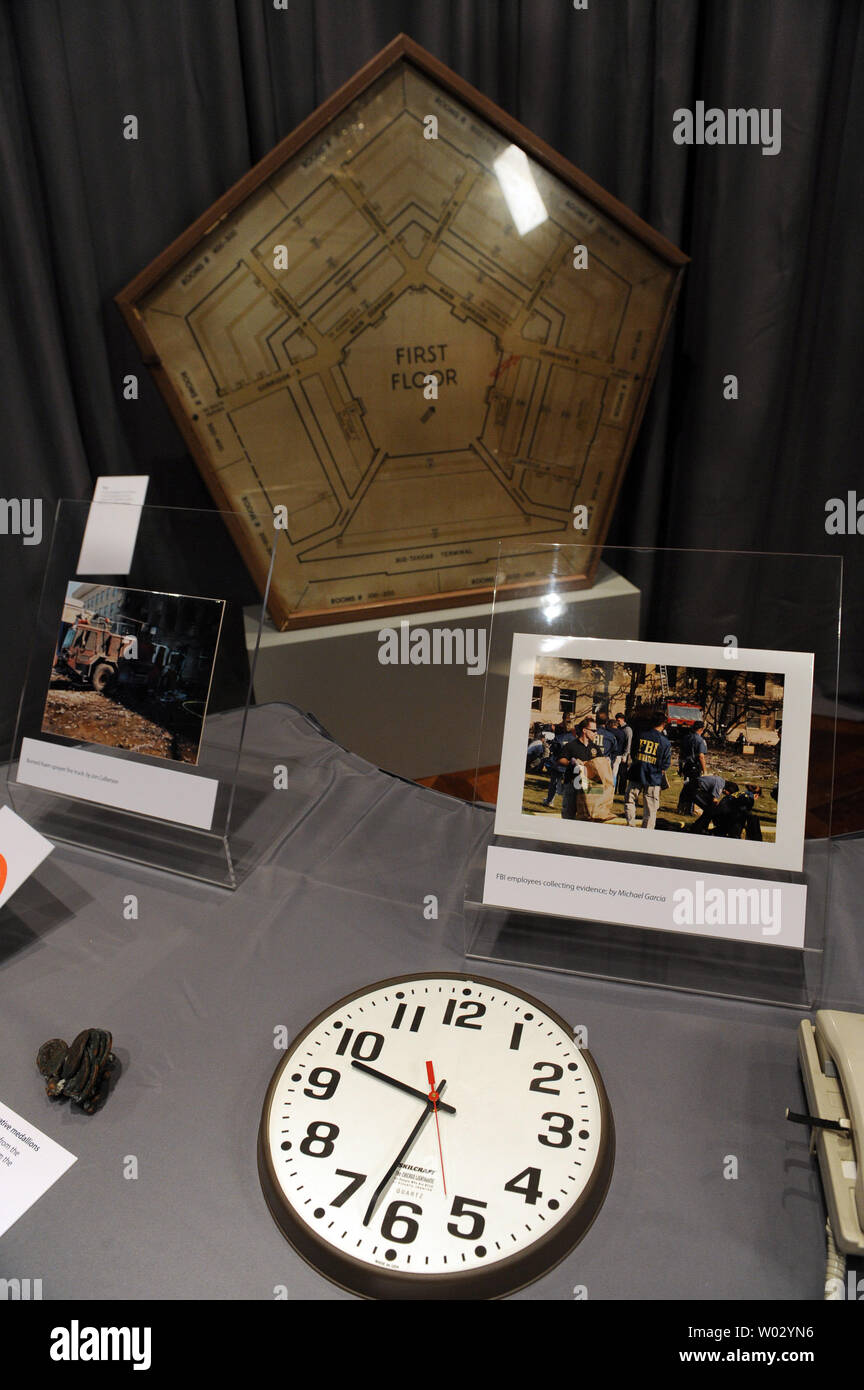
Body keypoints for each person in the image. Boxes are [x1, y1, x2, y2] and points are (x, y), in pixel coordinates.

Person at [625, 711, 671, 829]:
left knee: (630, 800)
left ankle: (630, 825)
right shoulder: (665, 742)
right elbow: (666, 763)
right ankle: (647, 831)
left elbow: (633, 753)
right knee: (651, 808)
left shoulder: (640, 735)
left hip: (636, 773)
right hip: (653, 777)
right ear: (663, 724)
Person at [557, 716, 603, 820]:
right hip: (573, 784)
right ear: (584, 730)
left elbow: (600, 764)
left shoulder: (595, 748)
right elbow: (560, 760)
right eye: (593, 730)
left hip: (589, 786)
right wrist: (571, 762)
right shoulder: (571, 745)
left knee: (588, 816)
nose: (596, 733)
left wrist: (605, 762)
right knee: (569, 814)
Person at [677, 721, 708, 813]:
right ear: (701, 729)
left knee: (686, 787)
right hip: (695, 767)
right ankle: (688, 810)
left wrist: (680, 768)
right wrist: (705, 771)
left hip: (686, 766)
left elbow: (680, 755)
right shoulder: (700, 740)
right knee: (693, 789)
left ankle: (681, 807)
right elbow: (701, 756)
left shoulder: (686, 738)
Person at [612, 711, 632, 791]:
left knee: (623, 773)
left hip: (624, 754)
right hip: (618, 753)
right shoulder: (618, 728)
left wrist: (625, 755)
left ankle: (622, 790)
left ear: (623, 719)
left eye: (619, 720)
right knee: (616, 772)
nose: (617, 722)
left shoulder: (627, 729)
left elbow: (628, 742)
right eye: (616, 720)